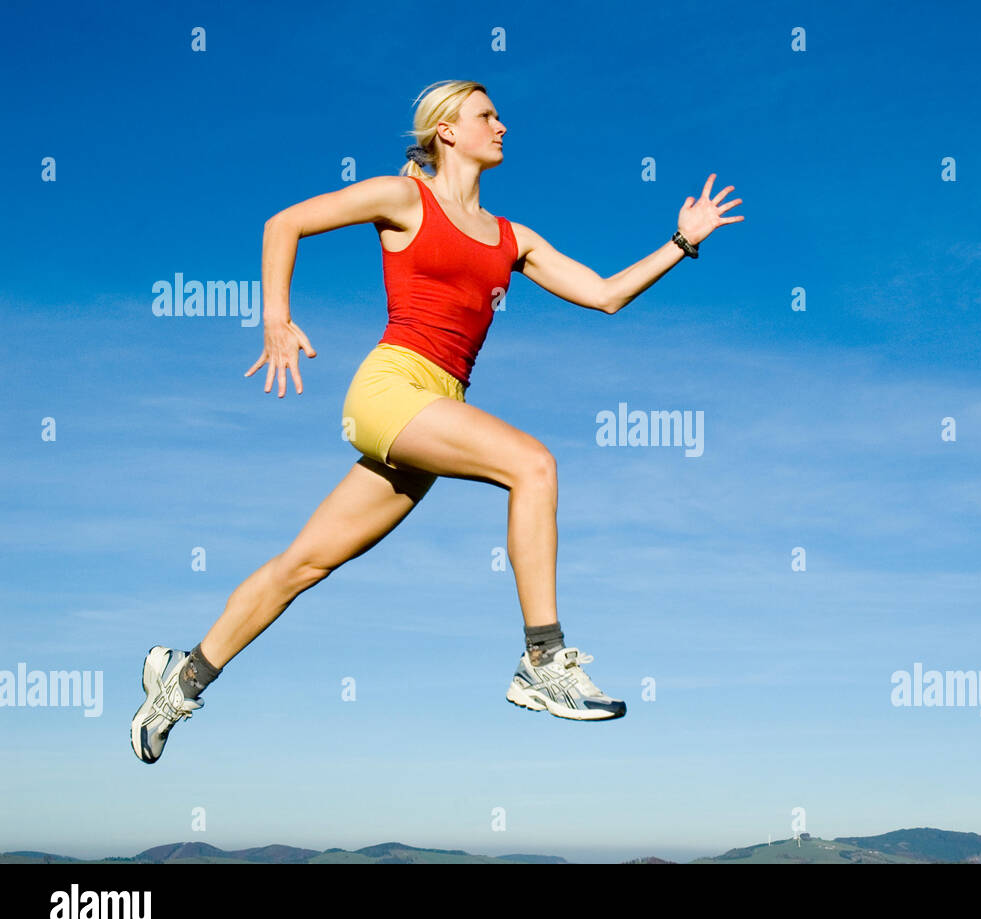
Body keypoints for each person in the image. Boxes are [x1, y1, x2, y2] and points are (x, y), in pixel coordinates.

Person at [131, 79, 744, 763]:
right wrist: (276, 319)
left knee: (301, 566)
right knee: (533, 465)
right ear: (447, 130)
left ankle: (180, 682)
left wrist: (681, 242)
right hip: (392, 388)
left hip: (436, 410)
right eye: (487, 115)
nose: (503, 125)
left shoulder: (513, 238)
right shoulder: (404, 198)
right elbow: (284, 223)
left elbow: (603, 296)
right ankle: (542, 659)